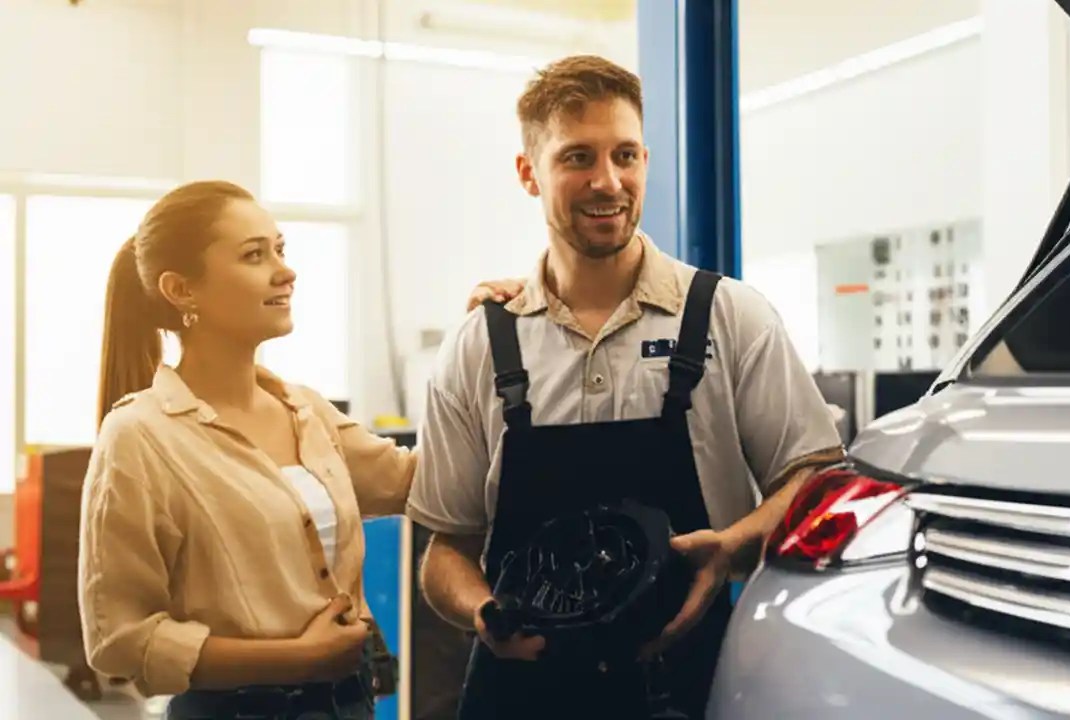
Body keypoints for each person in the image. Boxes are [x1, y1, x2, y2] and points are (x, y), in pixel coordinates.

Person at [408, 55, 845, 719]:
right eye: (577, 157)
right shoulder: (478, 347)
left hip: (697, 685)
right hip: (524, 698)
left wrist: (732, 549)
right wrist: (483, 610)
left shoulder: (730, 317)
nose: (607, 181)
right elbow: (446, 551)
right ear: (529, 173)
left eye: (626, 154)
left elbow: (816, 476)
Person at [77, 180, 521, 720]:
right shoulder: (140, 436)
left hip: (347, 704)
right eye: (253, 255)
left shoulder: (304, 411)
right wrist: (292, 659)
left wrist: (487, 345)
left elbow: (424, 481)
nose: (285, 270)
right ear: (181, 289)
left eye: (280, 249)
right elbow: (121, 642)